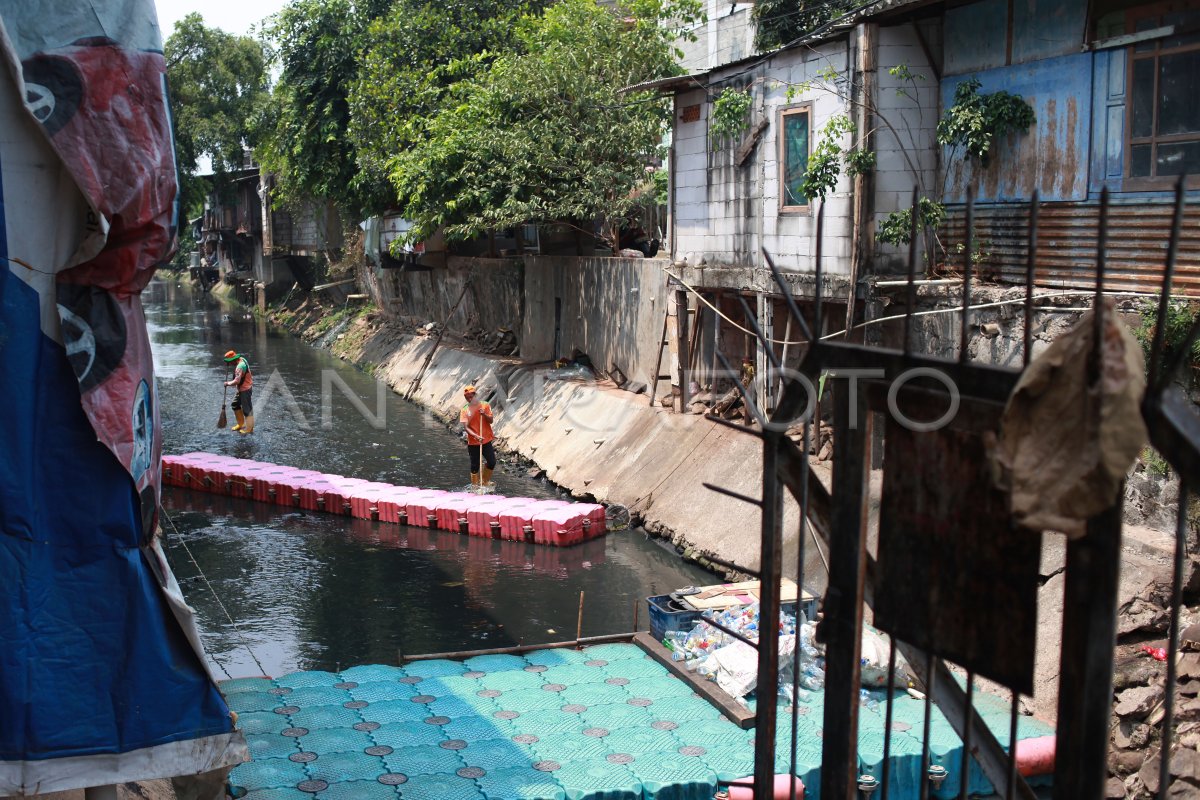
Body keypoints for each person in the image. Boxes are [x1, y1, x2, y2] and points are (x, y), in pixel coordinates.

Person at [458, 385, 495, 487]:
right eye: (467, 397)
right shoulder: (465, 410)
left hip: (486, 440)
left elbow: (491, 421)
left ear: (475, 395)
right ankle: (474, 486)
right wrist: (476, 436)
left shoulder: (485, 405)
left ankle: (484, 482)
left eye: (471, 396)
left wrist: (484, 415)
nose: (469, 399)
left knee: (492, 462)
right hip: (473, 442)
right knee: (475, 466)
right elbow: (466, 427)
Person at [223, 350, 254, 434]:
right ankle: (241, 424)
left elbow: (237, 381)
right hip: (242, 388)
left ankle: (249, 429)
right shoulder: (242, 359)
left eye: (230, 362)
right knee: (235, 404)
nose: (230, 364)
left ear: (233, 360)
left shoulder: (239, 367)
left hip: (245, 389)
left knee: (247, 409)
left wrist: (227, 383)